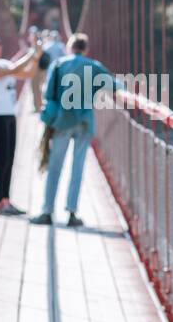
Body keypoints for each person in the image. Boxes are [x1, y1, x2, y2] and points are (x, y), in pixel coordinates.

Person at [30, 33, 113, 227]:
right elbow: (113, 85)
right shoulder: (93, 65)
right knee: (77, 167)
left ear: (69, 48)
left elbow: (48, 94)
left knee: (55, 166)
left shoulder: (58, 65)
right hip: (84, 123)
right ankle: (72, 213)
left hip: (62, 122)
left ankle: (47, 211)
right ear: (85, 49)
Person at [0, 28, 42, 215]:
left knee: (9, 158)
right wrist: (31, 52)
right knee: (2, 159)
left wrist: (36, 57)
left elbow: (26, 74)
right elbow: (14, 69)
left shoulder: (1, 63)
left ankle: (5, 199)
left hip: (9, 114)